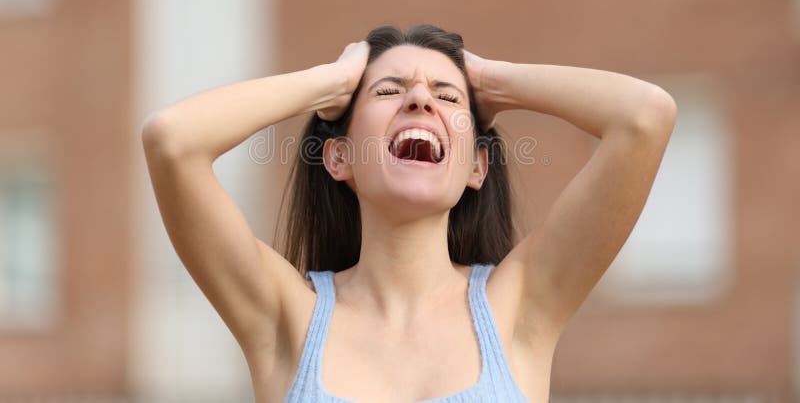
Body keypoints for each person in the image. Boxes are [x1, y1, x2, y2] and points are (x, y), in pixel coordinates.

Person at [142, 24, 677, 403]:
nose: (421, 101)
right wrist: (330, 83)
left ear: (476, 167)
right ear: (339, 157)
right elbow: (173, 140)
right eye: (389, 90)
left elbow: (644, 117)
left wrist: (489, 82)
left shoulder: (521, 305)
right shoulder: (286, 317)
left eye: (446, 98)